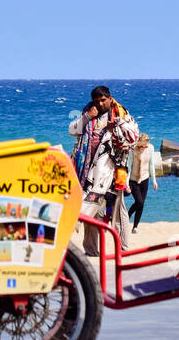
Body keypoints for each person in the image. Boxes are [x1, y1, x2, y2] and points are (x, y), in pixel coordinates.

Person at [68, 85, 139, 256]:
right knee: (90, 207)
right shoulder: (88, 111)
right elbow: (72, 130)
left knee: (118, 210)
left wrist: (115, 127)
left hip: (113, 170)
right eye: (97, 101)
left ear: (109, 98)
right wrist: (86, 117)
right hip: (88, 170)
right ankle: (91, 250)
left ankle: (123, 248)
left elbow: (132, 139)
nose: (100, 104)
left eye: (103, 100)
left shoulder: (121, 113)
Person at [127, 132, 160, 230]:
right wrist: (126, 183)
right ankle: (127, 216)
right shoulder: (132, 150)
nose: (144, 148)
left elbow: (151, 165)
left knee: (141, 204)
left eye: (146, 146)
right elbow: (128, 167)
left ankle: (135, 226)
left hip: (145, 178)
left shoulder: (150, 148)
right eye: (142, 146)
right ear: (139, 144)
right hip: (133, 179)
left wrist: (154, 180)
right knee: (139, 202)